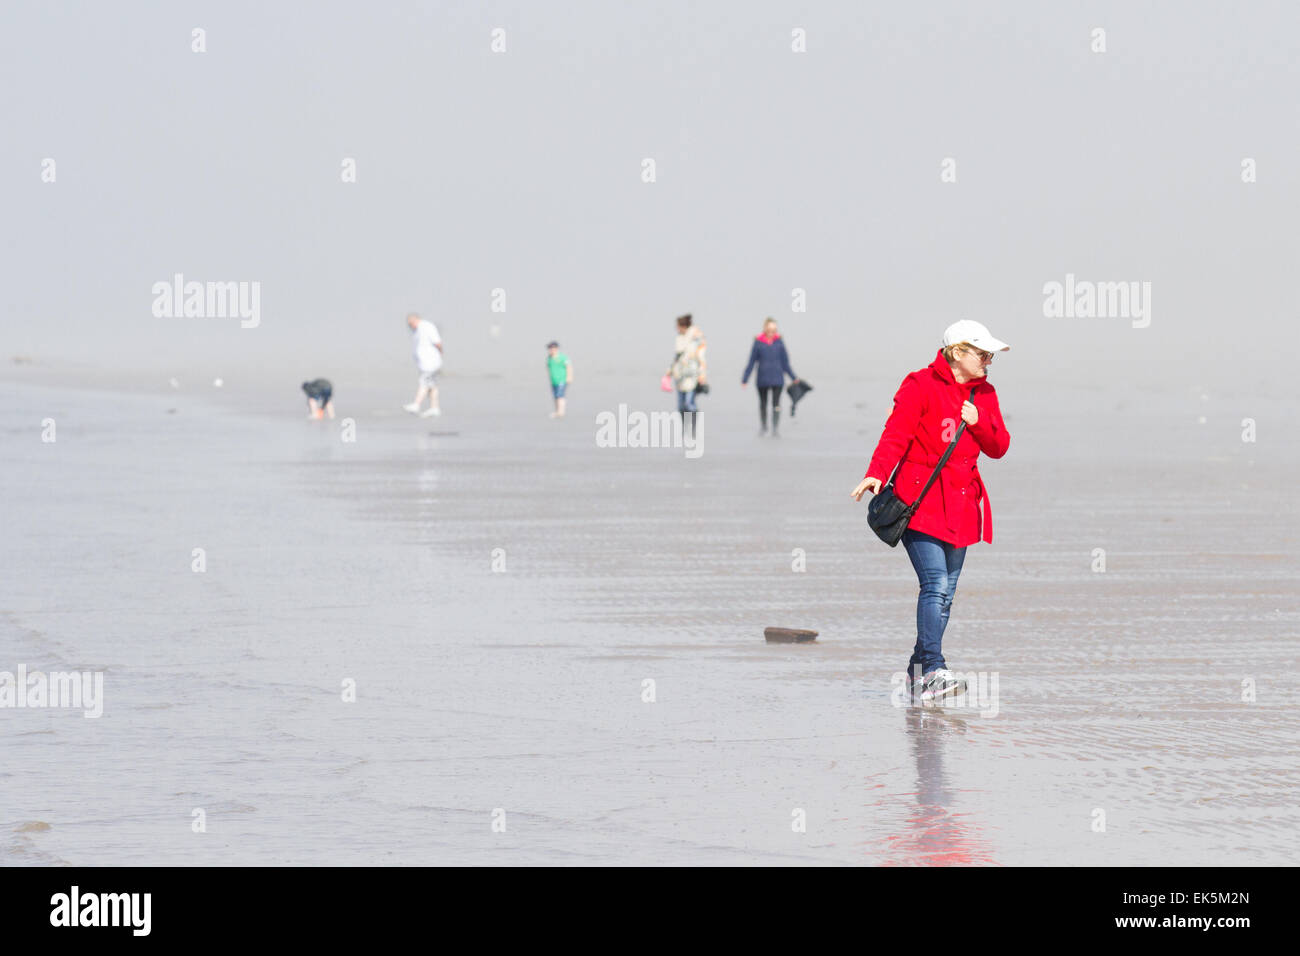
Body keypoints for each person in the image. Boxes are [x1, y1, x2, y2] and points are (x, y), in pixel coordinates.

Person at [850, 320, 1012, 703]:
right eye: (982, 353)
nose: (988, 360)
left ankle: (919, 673)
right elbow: (896, 434)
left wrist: (980, 421)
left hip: (962, 506)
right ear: (957, 352)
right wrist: (876, 473)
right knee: (935, 585)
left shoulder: (985, 393)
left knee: (947, 594)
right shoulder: (919, 384)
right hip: (919, 502)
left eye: (990, 355)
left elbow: (1000, 445)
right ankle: (934, 669)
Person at [741, 317, 798, 436]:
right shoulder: (758, 342)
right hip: (762, 379)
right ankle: (763, 426)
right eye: (770, 328)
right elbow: (751, 362)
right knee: (763, 403)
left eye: (774, 329)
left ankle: (775, 427)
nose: (772, 331)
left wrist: (794, 378)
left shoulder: (779, 343)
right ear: (765, 328)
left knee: (776, 404)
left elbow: (785, 363)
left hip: (777, 379)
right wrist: (745, 378)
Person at [666, 314, 706, 438]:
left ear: (683, 326)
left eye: (678, 326)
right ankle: (685, 429)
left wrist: (702, 375)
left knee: (690, 403)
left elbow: (701, 357)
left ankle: (693, 429)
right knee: (681, 406)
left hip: (692, 377)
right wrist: (670, 370)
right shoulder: (679, 338)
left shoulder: (695, 338)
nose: (677, 329)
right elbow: (677, 357)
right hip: (680, 377)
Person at [402, 312, 443, 417]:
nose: (410, 326)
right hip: (426, 362)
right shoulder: (418, 330)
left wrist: (440, 354)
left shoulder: (427, 326)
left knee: (424, 382)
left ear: (414, 320)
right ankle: (435, 407)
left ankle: (416, 404)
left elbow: (437, 342)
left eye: (410, 323)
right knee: (432, 385)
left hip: (430, 362)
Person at [545, 341, 573, 418]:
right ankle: (557, 411)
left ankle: (561, 412)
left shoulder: (562, 357)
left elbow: (569, 367)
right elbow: (548, 368)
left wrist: (569, 377)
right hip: (554, 381)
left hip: (562, 380)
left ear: (556, 348)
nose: (550, 350)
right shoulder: (549, 358)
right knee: (555, 396)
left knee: (560, 395)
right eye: (549, 348)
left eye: (552, 348)